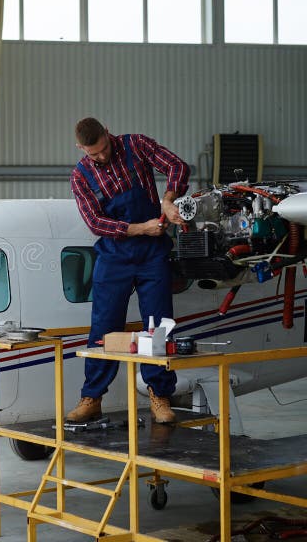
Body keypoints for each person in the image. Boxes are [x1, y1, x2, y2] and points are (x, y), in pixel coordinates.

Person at [67, 117, 189, 424]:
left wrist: (168, 201)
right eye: (94, 153)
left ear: (109, 133)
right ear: (81, 148)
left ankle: (160, 396)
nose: (103, 156)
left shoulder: (136, 144)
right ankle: (92, 397)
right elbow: (95, 223)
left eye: (105, 148)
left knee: (158, 325)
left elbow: (178, 166)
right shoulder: (80, 176)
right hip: (115, 253)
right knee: (104, 327)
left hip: (152, 252)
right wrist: (139, 228)